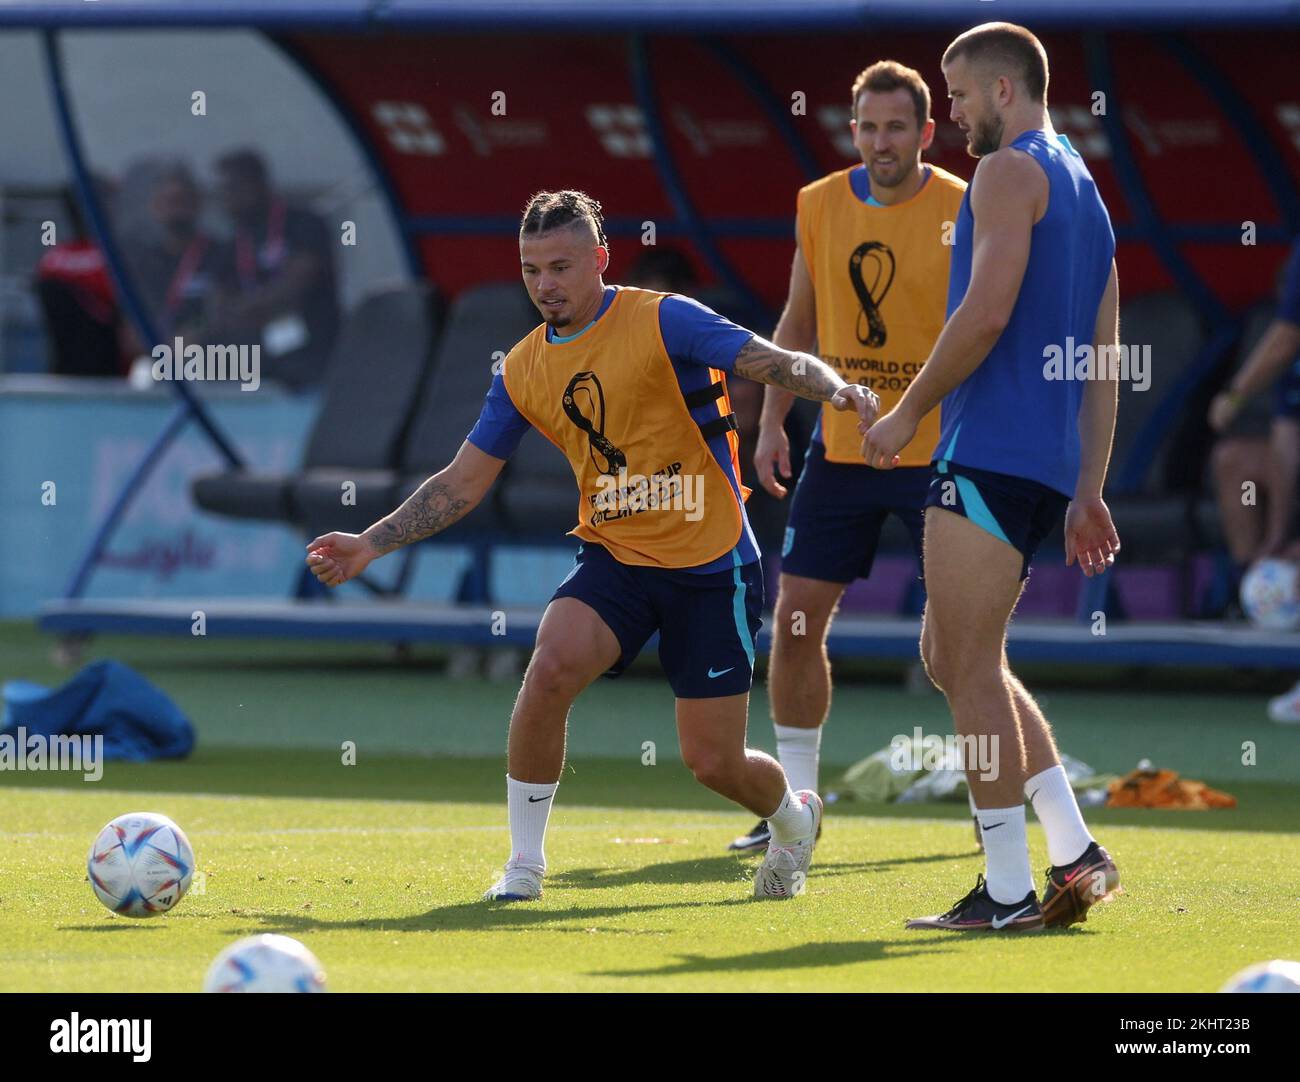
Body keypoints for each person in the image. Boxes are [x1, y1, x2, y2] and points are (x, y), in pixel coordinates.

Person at [304, 190, 880, 902]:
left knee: (713, 762)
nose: (546, 284)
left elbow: (770, 360)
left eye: (561, 266)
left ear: (599, 261)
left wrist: (838, 388)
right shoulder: (521, 369)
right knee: (549, 669)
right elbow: (462, 481)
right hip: (616, 560)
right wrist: (370, 543)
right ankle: (523, 868)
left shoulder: (663, 318)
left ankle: (793, 819)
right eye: (531, 270)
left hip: (712, 565)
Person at [862, 22, 1122, 931]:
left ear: (1004, 90)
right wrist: (1087, 486)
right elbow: (1103, 358)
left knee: (966, 667)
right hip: (1039, 465)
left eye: (960, 94)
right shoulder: (1087, 190)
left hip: (987, 452)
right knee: (953, 655)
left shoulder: (1008, 173)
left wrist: (904, 414)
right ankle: (1074, 848)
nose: (954, 113)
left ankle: (1009, 890)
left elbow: (983, 314)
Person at [729, 59, 969, 855]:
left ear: (927, 133)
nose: (879, 141)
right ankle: (794, 810)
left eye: (896, 127)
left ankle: (990, 799)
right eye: (867, 126)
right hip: (841, 454)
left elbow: (984, 330)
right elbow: (795, 326)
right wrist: (770, 424)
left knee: (957, 644)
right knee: (794, 624)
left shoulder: (964, 208)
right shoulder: (819, 203)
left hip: (940, 452)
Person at [1208, 237, 1300, 585]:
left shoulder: (1287, 339)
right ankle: (1250, 580)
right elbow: (1287, 431)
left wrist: (1234, 396)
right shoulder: (1292, 368)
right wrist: (1279, 535)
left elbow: (1286, 336)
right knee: (1235, 459)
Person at [208, 149, 339, 390]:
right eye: (222, 190)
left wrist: (249, 307)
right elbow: (220, 309)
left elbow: (298, 284)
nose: (227, 197)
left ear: (258, 184)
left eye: (234, 187)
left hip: (312, 352)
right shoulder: (230, 245)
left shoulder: (305, 224)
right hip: (255, 358)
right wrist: (253, 309)